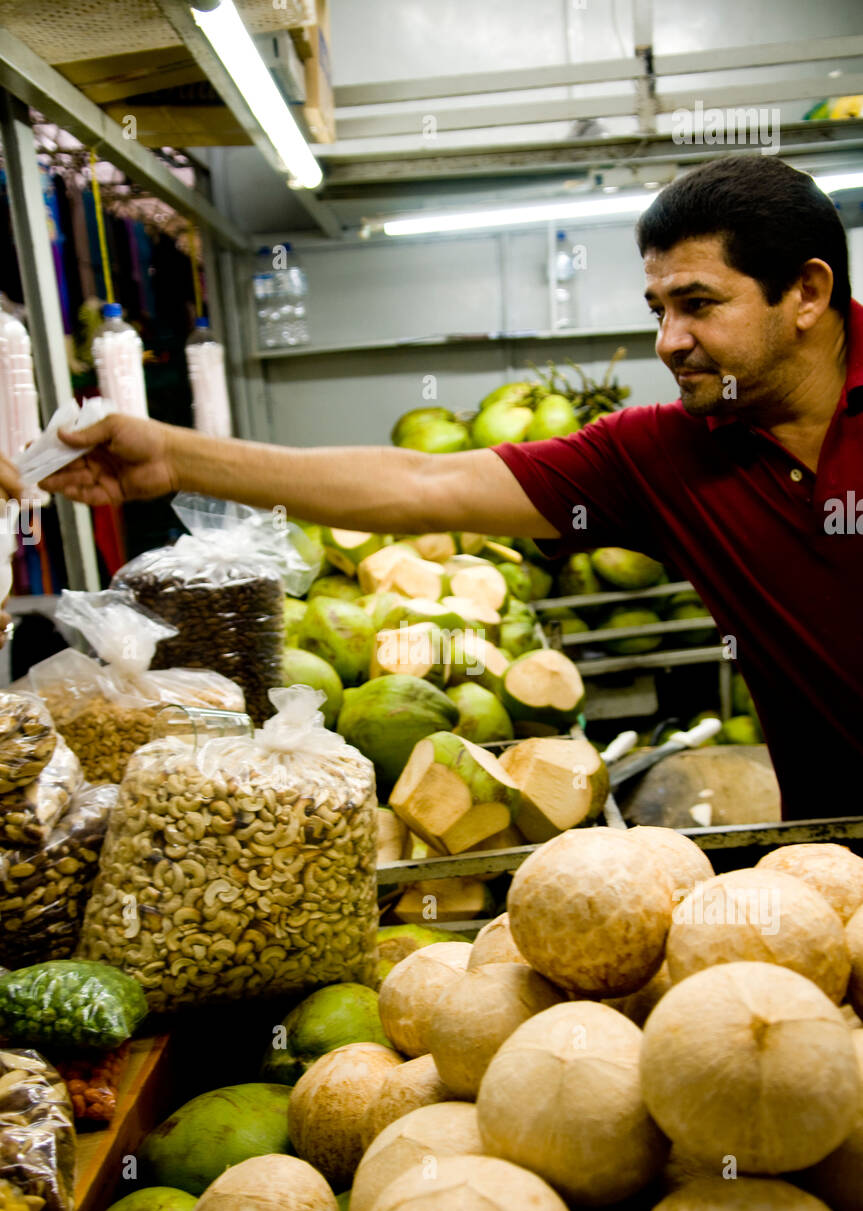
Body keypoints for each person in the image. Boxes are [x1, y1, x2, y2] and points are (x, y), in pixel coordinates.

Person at [1, 155, 858, 820]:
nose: (669, 340)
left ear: (806, 293)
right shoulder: (668, 453)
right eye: (656, 309)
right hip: (831, 856)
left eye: (698, 303)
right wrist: (172, 458)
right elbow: (423, 482)